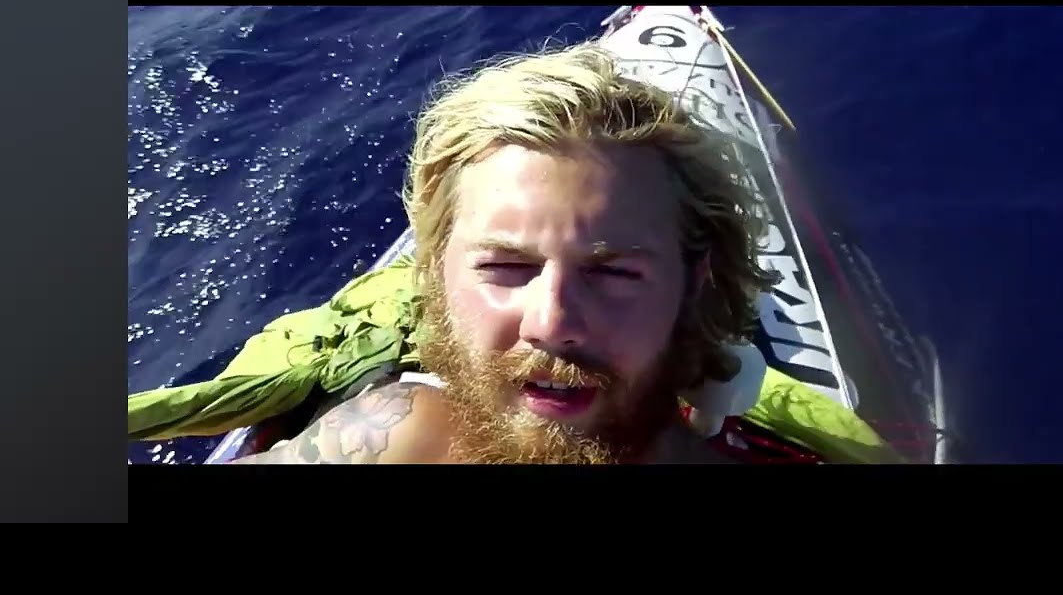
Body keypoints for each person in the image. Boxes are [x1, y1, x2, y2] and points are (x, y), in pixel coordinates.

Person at [230, 39, 777, 464]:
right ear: (437, 274)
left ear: (693, 284)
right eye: (505, 266)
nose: (551, 321)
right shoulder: (393, 434)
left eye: (614, 271)